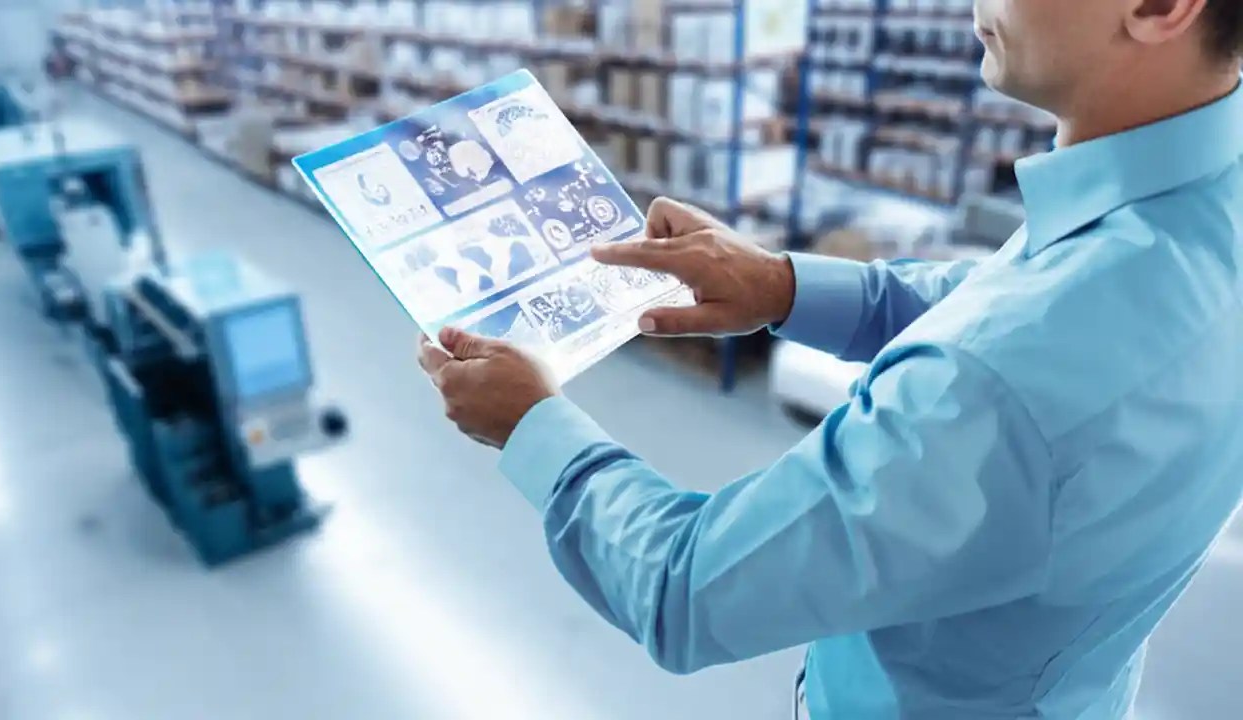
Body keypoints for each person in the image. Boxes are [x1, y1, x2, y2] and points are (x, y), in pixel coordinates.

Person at [417, 0, 1243, 717]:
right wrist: (781, 285)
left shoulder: (998, 382)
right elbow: (1008, 291)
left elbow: (686, 586)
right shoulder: (1189, 202)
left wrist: (530, 423)